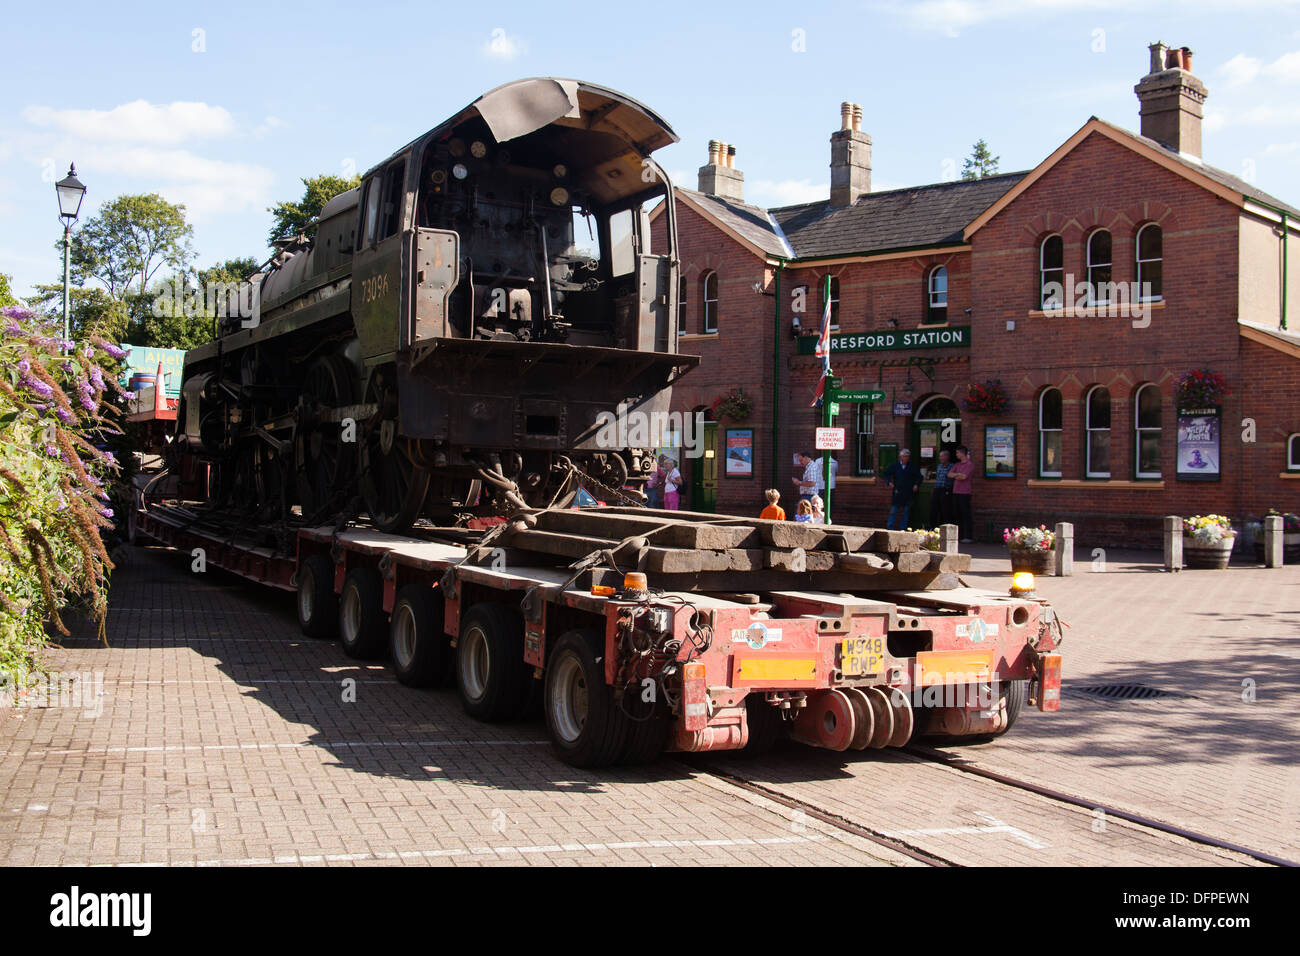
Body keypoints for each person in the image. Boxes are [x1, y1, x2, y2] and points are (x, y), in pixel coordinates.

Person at [882, 448, 922, 530]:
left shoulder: (911, 467)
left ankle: (903, 529)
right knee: (893, 511)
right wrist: (889, 482)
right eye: (905, 456)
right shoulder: (895, 466)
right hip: (897, 492)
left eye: (908, 456)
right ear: (900, 457)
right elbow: (886, 473)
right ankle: (890, 528)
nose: (906, 458)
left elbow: (920, 477)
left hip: (908, 493)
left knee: (906, 512)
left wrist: (916, 484)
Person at [947, 445, 976, 541]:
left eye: (957, 453)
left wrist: (957, 475)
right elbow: (949, 474)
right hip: (956, 491)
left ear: (962, 453)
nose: (956, 454)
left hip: (965, 492)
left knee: (965, 514)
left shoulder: (969, 465)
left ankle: (967, 536)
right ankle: (959, 536)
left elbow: (964, 477)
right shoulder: (957, 465)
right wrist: (957, 475)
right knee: (956, 513)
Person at [928, 449, 952, 530]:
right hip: (937, 489)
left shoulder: (952, 466)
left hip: (946, 490)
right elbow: (937, 478)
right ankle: (932, 527)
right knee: (933, 509)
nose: (940, 458)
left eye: (942, 456)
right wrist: (934, 488)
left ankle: (944, 529)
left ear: (947, 457)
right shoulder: (939, 466)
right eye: (940, 456)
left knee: (945, 510)